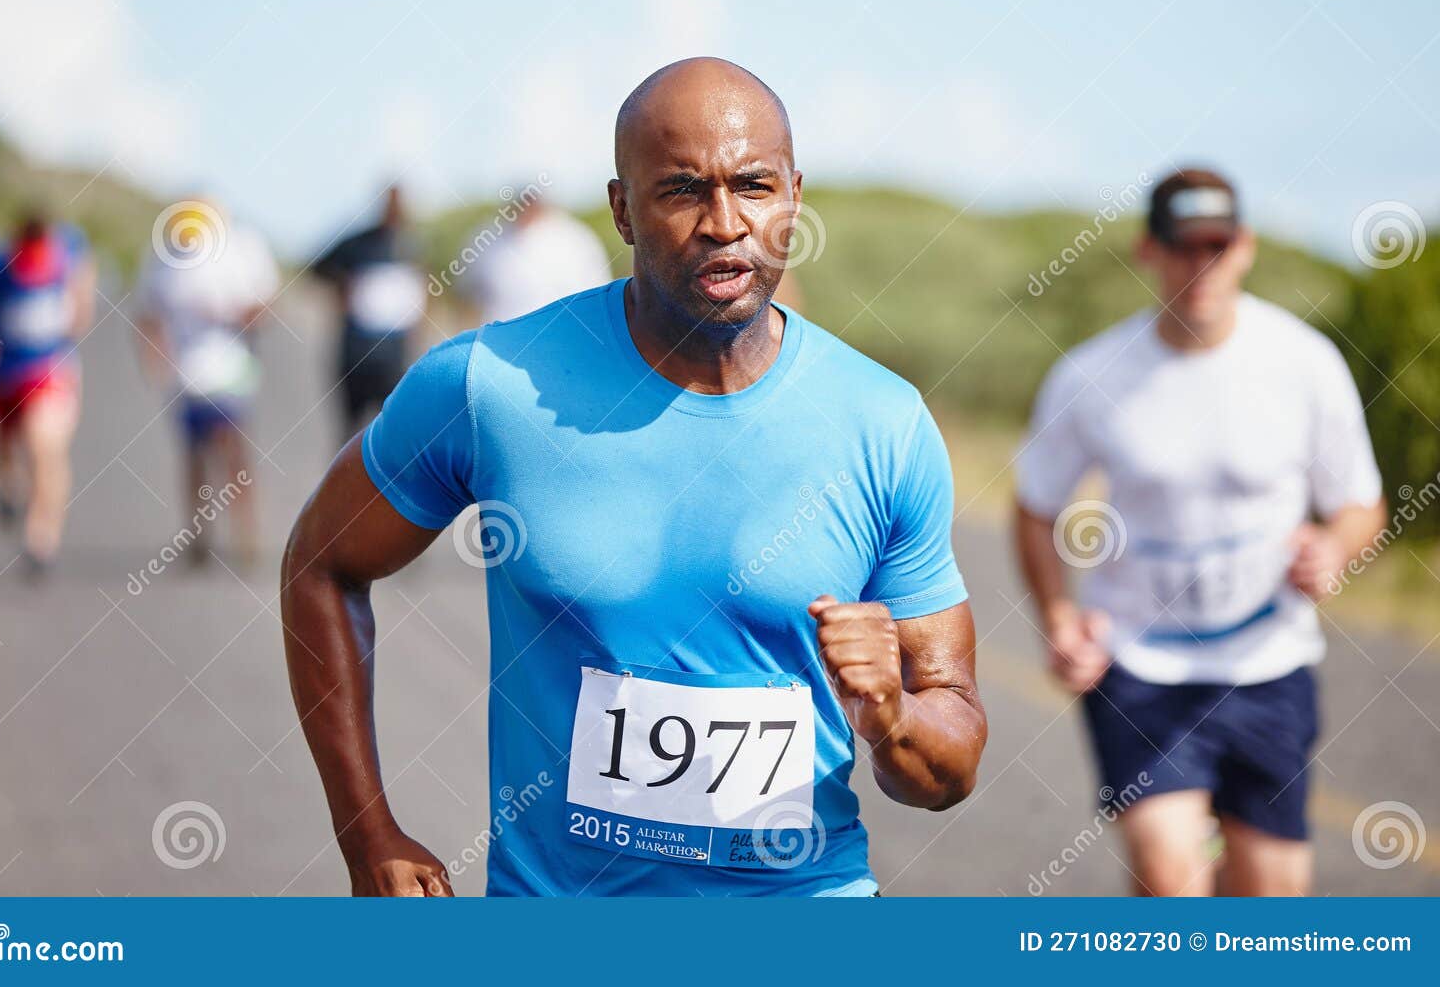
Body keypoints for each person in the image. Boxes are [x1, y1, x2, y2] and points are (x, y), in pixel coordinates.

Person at [283, 57, 986, 897]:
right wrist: (367, 834)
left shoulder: (883, 423)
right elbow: (321, 566)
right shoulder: (489, 385)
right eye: (683, 190)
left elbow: (948, 770)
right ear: (623, 208)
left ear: (794, 195)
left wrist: (895, 719)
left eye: (753, 186)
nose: (724, 223)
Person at [1013, 168, 1387, 897]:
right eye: (1183, 247)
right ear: (1148, 251)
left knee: (1270, 904)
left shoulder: (1304, 363)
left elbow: (1361, 505)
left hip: (1268, 662)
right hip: (1139, 666)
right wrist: (1059, 618)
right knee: (1171, 876)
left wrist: (1334, 548)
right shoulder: (1091, 374)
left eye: (1217, 245)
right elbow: (1035, 506)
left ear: (1244, 247)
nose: (1200, 266)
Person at [0, 205, 96, 575]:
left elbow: (85, 277)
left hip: (49, 369)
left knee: (45, 446)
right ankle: (6, 489)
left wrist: (79, 311)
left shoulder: (66, 254)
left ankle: (42, 537)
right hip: (5, 372)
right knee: (5, 450)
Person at [134, 200, 279, 566]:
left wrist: (231, 312)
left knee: (232, 452)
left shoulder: (240, 253)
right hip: (185, 376)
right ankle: (199, 535)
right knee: (194, 454)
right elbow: (148, 314)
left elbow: (265, 307)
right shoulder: (164, 261)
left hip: (230, 370)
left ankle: (246, 534)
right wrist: (154, 360)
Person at [310, 184, 427, 438]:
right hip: (357, 351)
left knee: (394, 429)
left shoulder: (413, 246)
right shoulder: (357, 243)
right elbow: (318, 268)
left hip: (395, 355)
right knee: (351, 431)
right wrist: (344, 285)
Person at [459, 186, 613, 324]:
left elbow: (596, 297)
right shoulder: (487, 239)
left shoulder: (576, 239)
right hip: (500, 340)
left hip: (560, 340)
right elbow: (468, 293)